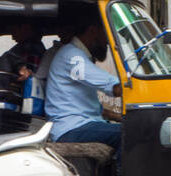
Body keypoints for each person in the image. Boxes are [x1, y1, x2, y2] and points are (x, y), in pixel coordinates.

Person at [43, 19, 123, 148]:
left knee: (128, 129)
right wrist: (137, 86)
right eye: (106, 33)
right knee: (129, 134)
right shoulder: (73, 56)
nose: (108, 40)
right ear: (93, 31)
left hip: (83, 125)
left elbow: (90, 108)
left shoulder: (78, 55)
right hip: (71, 129)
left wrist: (120, 117)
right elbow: (115, 87)